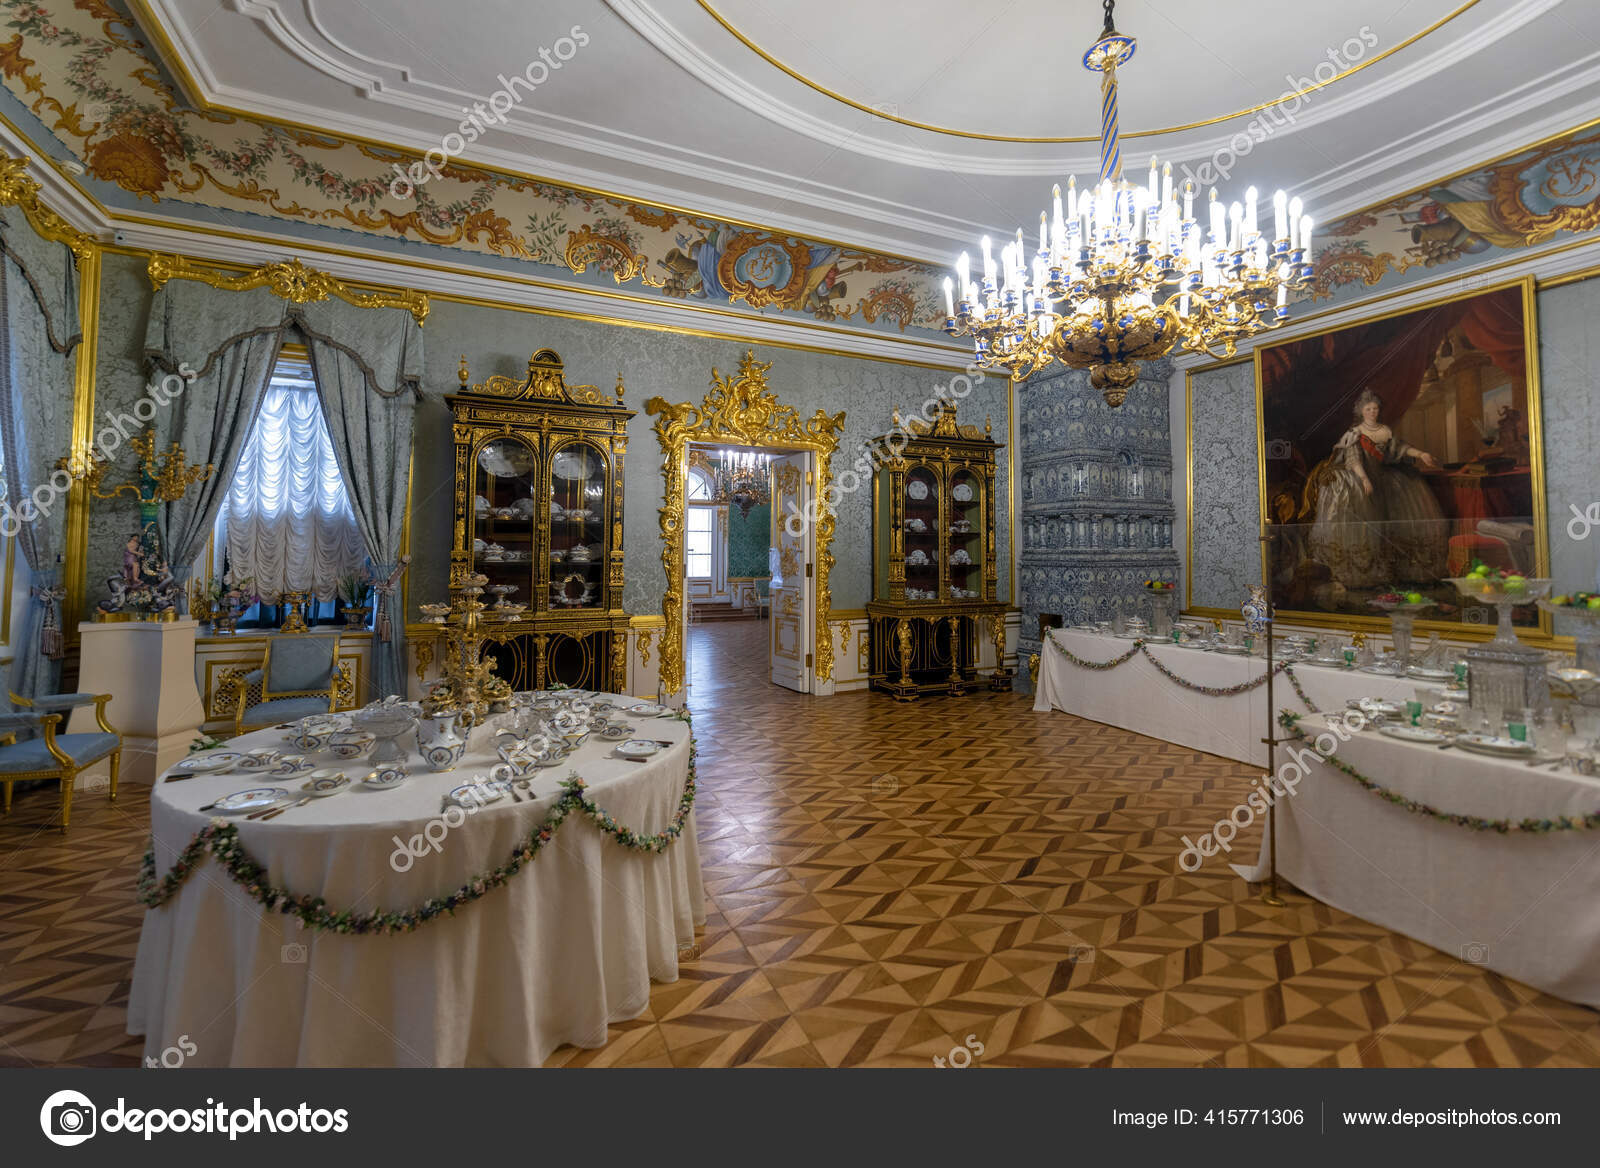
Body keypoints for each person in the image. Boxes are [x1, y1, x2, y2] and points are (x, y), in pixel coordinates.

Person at [1307, 389, 1448, 587]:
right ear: (1361, 412)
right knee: (1351, 494)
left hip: (1382, 474)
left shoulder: (1385, 430)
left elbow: (1400, 449)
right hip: (1358, 473)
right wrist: (1364, 479)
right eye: (1368, 409)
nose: (1373, 412)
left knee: (1408, 487)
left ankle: (1404, 569)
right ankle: (1359, 572)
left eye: (1375, 408)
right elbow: (1353, 459)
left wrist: (1421, 454)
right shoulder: (1354, 433)